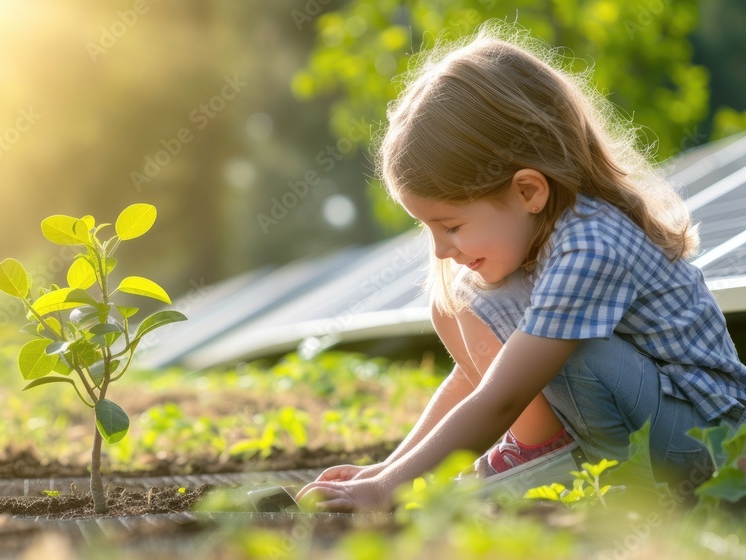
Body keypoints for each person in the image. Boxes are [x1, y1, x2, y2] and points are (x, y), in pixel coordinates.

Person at [296, 21, 746, 512]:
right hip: (655, 420)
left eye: (450, 224)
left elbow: (502, 397)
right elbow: (474, 377)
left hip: (709, 445)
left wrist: (390, 490)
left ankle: (569, 465)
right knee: (458, 296)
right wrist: (390, 469)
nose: (441, 247)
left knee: (556, 342)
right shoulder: (542, 238)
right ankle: (546, 454)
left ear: (529, 190)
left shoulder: (591, 245)